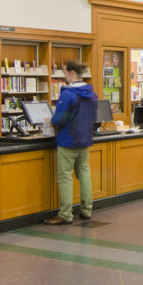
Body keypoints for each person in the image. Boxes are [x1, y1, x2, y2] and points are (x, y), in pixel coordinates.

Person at [44, 61, 97, 225]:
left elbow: (59, 118)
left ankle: (66, 214)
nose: (64, 76)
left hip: (68, 140)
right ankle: (87, 210)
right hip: (85, 139)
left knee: (65, 177)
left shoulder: (68, 94)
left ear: (72, 73)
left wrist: (51, 121)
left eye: (65, 72)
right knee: (84, 174)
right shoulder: (91, 93)